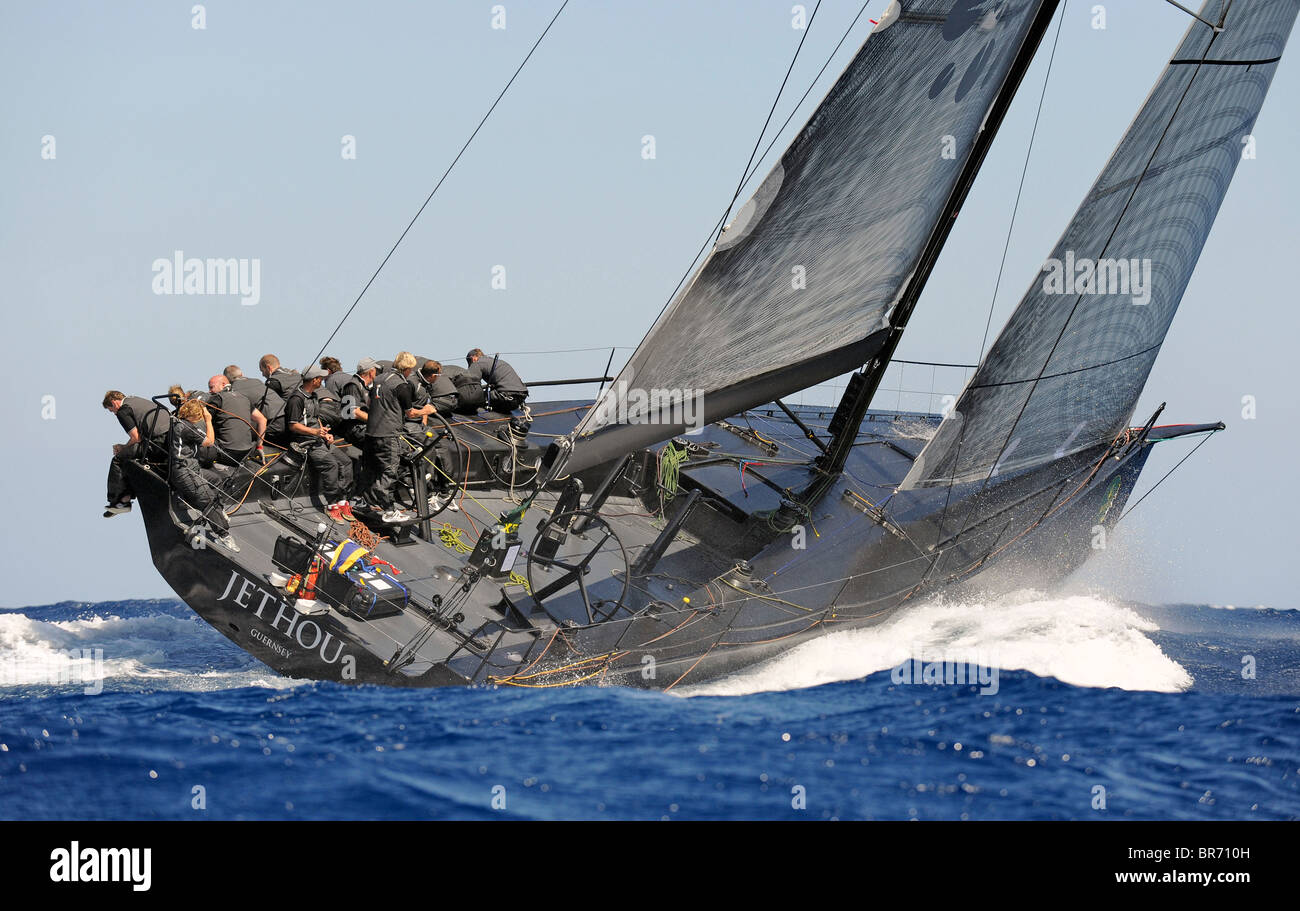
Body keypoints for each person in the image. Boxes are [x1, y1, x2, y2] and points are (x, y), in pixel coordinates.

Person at [364, 352, 434, 523]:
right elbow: (410, 413)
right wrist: (427, 410)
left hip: (372, 433)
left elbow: (370, 402)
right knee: (389, 471)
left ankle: (371, 501)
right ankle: (388, 510)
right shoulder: (403, 386)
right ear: (409, 369)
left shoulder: (380, 379)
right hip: (389, 434)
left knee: (377, 468)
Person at [284, 366, 355, 523]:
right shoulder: (296, 399)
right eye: (320, 379)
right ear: (314, 380)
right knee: (330, 464)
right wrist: (314, 432)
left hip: (318, 438)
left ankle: (342, 500)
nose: (322, 381)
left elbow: (315, 418)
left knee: (346, 462)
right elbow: (293, 425)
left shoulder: (314, 396)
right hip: (305, 442)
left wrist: (323, 432)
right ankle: (331, 504)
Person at [169, 399, 239, 552]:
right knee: (206, 500)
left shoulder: (179, 423)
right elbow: (210, 441)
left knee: (216, 480)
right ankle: (223, 535)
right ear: (196, 415)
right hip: (184, 471)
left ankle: (219, 510)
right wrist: (209, 421)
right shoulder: (187, 428)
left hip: (192, 467)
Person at [102, 390, 171, 517]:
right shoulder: (136, 400)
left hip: (158, 443)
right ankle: (125, 498)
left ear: (113, 403)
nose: (114, 413)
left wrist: (122, 447)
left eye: (111, 410)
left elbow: (136, 438)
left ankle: (120, 502)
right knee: (129, 454)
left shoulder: (123, 410)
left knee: (118, 459)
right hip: (170, 439)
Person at [199, 375, 265, 466]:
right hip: (246, 453)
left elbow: (202, 422)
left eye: (211, 387)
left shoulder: (217, 399)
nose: (210, 391)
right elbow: (262, 420)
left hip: (227, 453)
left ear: (223, 384)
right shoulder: (244, 398)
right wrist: (259, 446)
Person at [225, 364, 286, 445]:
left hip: (273, 422)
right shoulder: (256, 381)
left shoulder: (234, 391)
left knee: (243, 436)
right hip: (286, 415)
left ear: (227, 380)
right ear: (241, 374)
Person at [465, 348, 528, 413]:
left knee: (475, 399)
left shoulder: (477, 363)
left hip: (505, 395)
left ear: (473, 358)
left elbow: (470, 384)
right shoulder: (499, 362)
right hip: (521, 396)